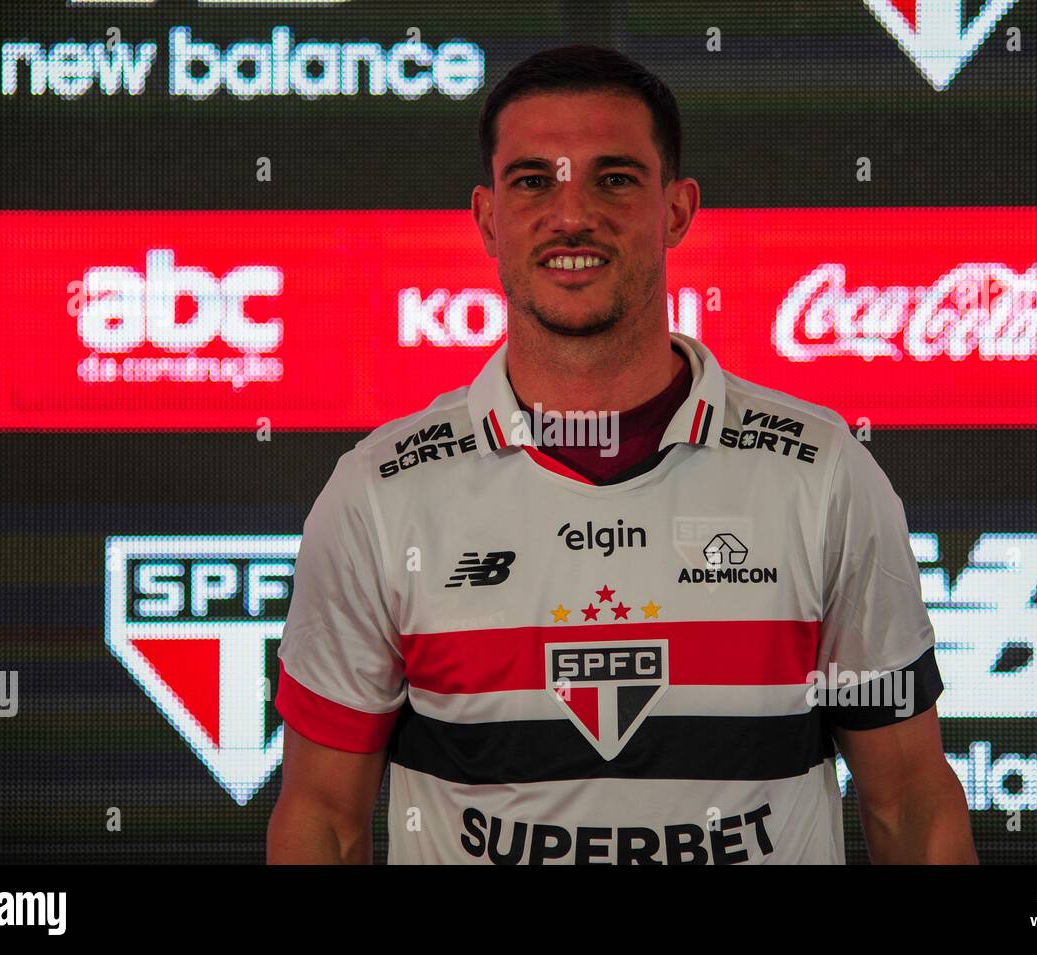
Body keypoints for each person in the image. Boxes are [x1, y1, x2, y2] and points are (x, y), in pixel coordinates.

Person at [267, 44, 976, 864]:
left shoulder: (820, 473)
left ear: (677, 210)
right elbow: (324, 817)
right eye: (534, 180)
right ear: (487, 217)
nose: (572, 216)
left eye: (614, 178)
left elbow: (910, 800)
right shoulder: (380, 493)